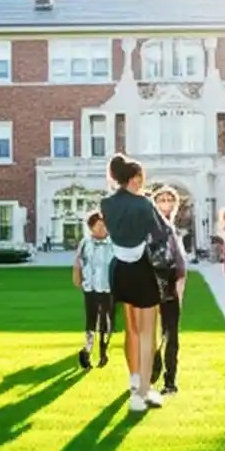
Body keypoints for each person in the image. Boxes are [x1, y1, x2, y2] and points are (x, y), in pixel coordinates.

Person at [100, 153, 167, 412]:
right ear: (134, 178)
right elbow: (160, 234)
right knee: (147, 332)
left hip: (119, 270)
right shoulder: (144, 204)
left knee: (131, 330)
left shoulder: (106, 203)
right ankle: (142, 393)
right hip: (142, 268)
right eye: (140, 178)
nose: (142, 182)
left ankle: (134, 380)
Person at [151, 186, 188, 395]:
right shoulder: (152, 229)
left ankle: (170, 381)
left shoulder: (172, 230)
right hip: (153, 285)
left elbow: (180, 264)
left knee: (171, 334)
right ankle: (148, 374)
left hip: (172, 287)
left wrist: (179, 287)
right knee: (151, 333)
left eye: (169, 199)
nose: (166, 203)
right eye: (161, 199)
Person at [72, 211, 115, 369]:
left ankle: (103, 351)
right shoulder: (86, 243)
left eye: (104, 224)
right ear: (91, 227)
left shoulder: (114, 242)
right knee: (91, 318)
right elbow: (78, 261)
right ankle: (87, 349)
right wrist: (77, 277)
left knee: (108, 321)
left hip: (109, 288)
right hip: (91, 287)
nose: (102, 227)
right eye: (99, 224)